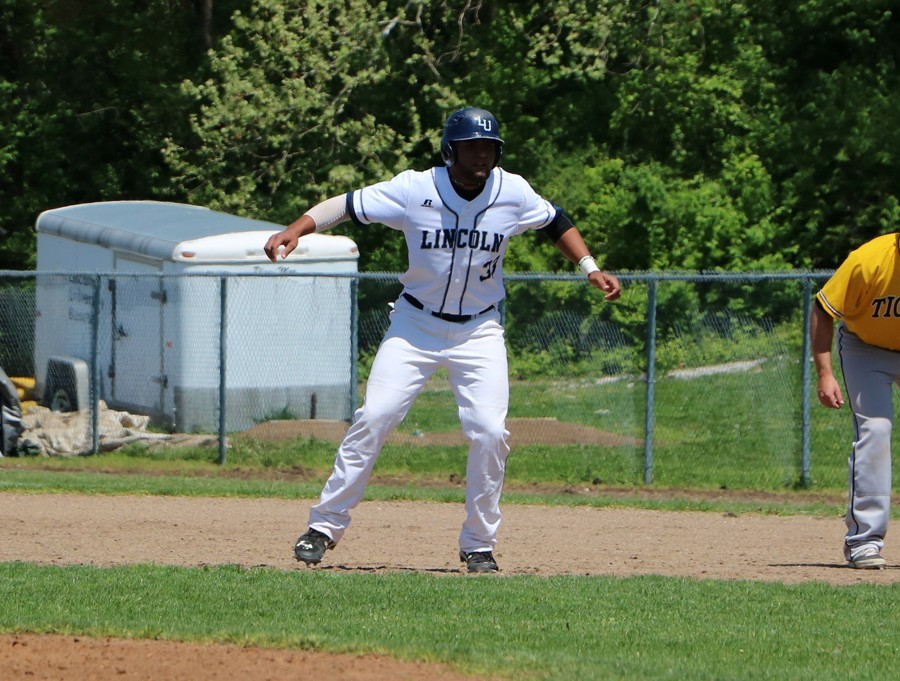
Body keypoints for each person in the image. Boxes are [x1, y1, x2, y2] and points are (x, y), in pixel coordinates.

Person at [264, 107, 621, 573]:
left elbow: (555, 220)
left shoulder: (511, 191)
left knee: (490, 433)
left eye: (490, 146)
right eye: (472, 145)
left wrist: (590, 268)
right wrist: (295, 229)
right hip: (415, 326)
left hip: (479, 329)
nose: (482, 154)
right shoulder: (414, 188)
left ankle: (478, 544)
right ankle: (323, 526)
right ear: (451, 149)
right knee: (374, 417)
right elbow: (346, 205)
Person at [810, 232, 900, 569]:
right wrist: (824, 373)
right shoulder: (868, 260)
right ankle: (864, 541)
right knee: (875, 430)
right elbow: (822, 308)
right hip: (866, 349)